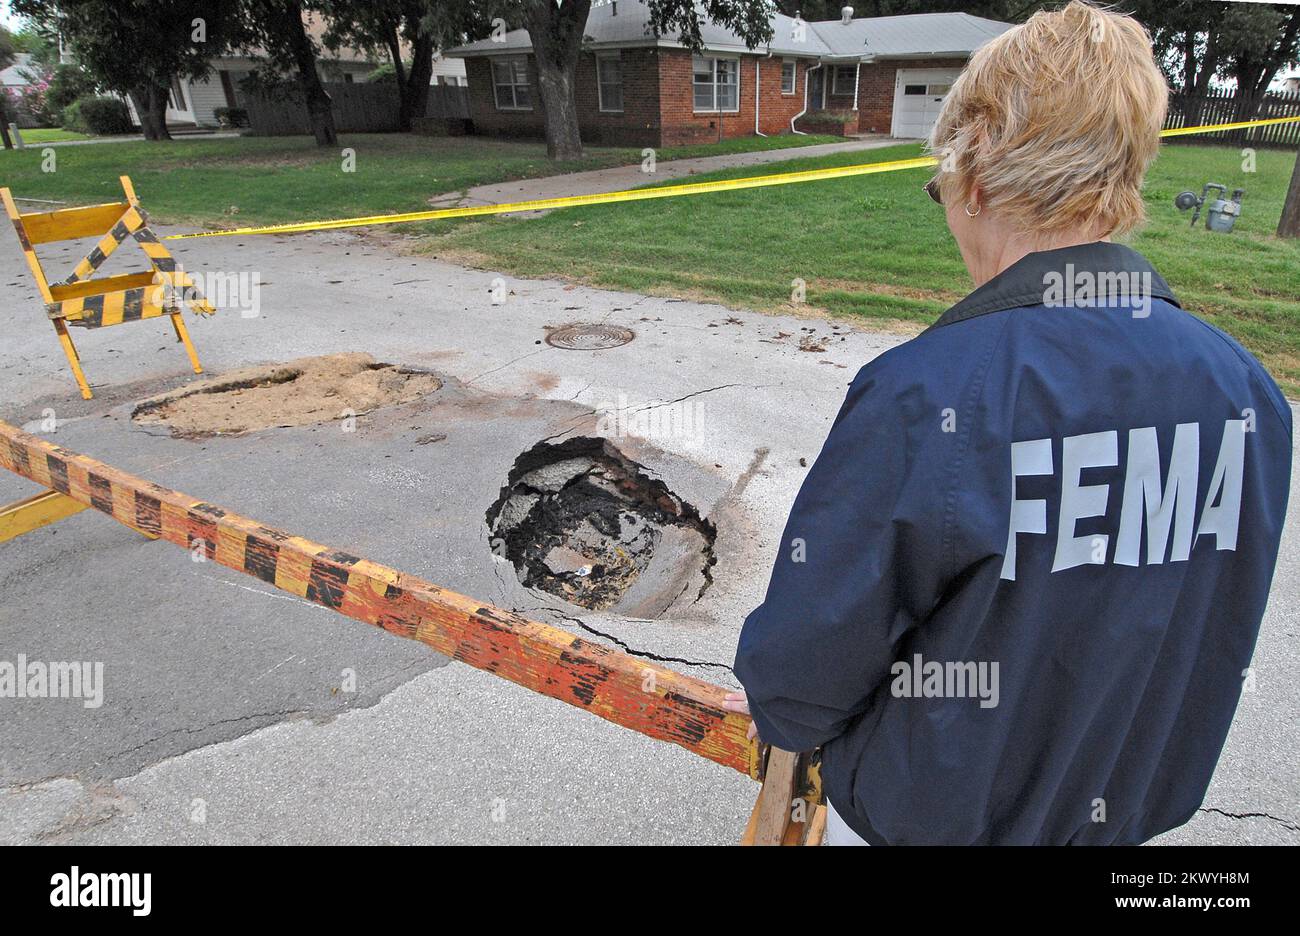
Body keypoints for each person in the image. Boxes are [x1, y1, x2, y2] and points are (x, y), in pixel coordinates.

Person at [726, 0, 1292, 845]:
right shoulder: (1248, 394)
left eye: (941, 186)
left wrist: (781, 703)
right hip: (1122, 819)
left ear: (977, 168)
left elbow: (806, 671)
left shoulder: (926, 393)